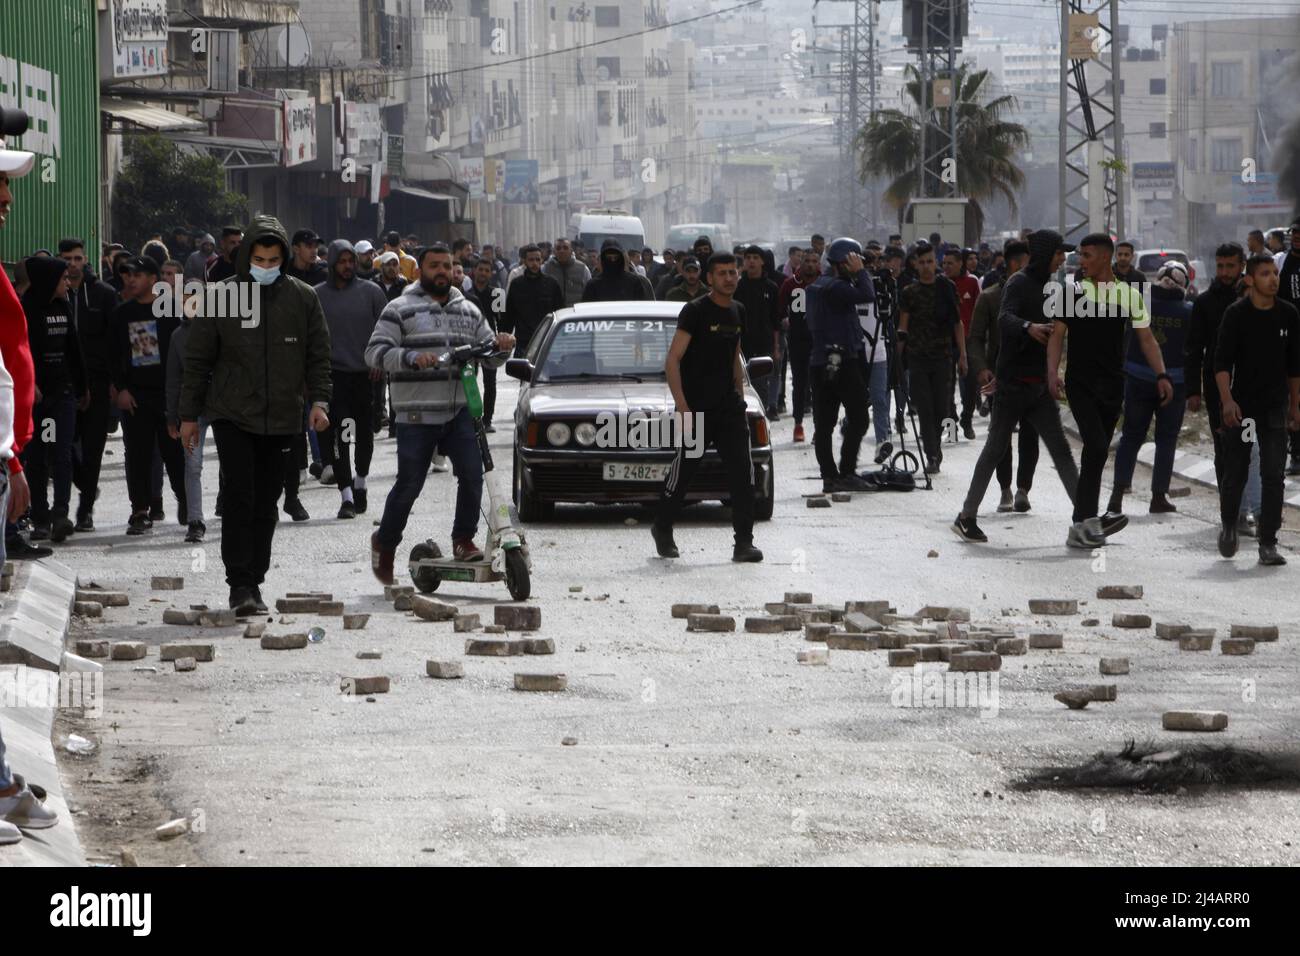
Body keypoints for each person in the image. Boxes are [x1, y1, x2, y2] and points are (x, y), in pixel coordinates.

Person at [182, 216, 331, 613]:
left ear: (284, 259)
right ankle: (240, 582)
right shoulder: (222, 297)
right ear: (246, 256)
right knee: (239, 495)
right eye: (258, 259)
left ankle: (256, 578)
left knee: (268, 499)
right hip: (233, 414)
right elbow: (196, 360)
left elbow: (318, 356)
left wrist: (320, 402)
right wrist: (188, 416)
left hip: (283, 416)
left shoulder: (303, 298)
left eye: (273, 260)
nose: (265, 267)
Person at [366, 245, 515, 583]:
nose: (442, 271)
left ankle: (463, 539)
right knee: (410, 484)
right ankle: (385, 542)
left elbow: (488, 355)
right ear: (420, 270)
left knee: (473, 475)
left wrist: (504, 347)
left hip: (461, 410)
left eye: (447, 266)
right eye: (434, 266)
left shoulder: (469, 310)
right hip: (417, 415)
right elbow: (374, 352)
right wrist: (408, 358)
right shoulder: (399, 308)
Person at [951, 230, 1088, 546]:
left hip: (1039, 387)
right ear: (1043, 253)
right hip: (1011, 386)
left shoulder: (1053, 288)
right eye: (1058, 253)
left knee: (1061, 451)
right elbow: (1004, 318)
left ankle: (1083, 519)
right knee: (995, 449)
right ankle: (966, 517)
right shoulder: (1018, 283)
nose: (1062, 258)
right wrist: (1030, 327)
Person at [1049, 233, 1170, 543]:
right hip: (1080, 384)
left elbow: (1146, 338)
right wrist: (1052, 372)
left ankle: (1081, 524)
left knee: (1096, 453)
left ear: (1105, 257)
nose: (1081, 261)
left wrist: (1162, 375)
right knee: (1097, 446)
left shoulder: (1130, 295)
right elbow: (1057, 336)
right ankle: (1088, 520)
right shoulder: (1071, 293)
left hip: (1113, 385)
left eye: (1087, 255)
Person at [652, 253, 763, 564]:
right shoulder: (695, 311)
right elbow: (673, 360)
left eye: (733, 272)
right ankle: (662, 526)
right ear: (710, 279)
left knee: (743, 475)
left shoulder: (738, 311)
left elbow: (734, 359)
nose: (729, 278)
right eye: (722, 273)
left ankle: (744, 542)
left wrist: (740, 400)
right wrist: (682, 406)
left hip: (729, 409)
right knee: (683, 472)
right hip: (697, 408)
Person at [1214, 253, 1300, 565]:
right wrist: (1227, 401)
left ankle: (1268, 541)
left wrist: (1295, 406)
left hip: (1275, 409)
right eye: (1265, 273)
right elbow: (1221, 363)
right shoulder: (1236, 314)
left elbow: (1294, 366)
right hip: (1244, 411)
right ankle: (1228, 526)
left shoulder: (1288, 314)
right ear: (1250, 279)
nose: (1273, 278)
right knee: (1236, 470)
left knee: (1274, 473)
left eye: (1275, 273)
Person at [109, 256, 187, 534]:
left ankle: (186, 501)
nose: (130, 279)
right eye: (127, 274)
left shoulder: (171, 312)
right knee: (138, 456)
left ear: (153, 279)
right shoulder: (122, 314)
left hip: (168, 395)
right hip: (136, 396)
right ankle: (140, 511)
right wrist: (121, 389)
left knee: (175, 453)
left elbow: (184, 355)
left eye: (137, 274)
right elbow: (115, 355)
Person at [1186, 242, 1259, 536]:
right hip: (1218, 389)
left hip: (1252, 387)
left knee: (1250, 447)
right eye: (1220, 266)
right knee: (1225, 448)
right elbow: (1193, 349)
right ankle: (1230, 509)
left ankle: (1247, 509)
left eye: (1231, 266)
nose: (1225, 272)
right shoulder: (1205, 303)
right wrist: (1192, 390)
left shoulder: (1256, 298)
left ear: (1242, 265)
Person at [1108, 260, 1192, 515]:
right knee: (1166, 440)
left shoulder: (1140, 305)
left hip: (1137, 379)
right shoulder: (1189, 311)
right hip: (1175, 384)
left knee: (1131, 436)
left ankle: (1117, 495)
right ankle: (1158, 496)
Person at [315, 240, 388, 518]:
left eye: (350, 261)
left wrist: (380, 361)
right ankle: (346, 494)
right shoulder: (317, 295)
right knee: (340, 436)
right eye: (342, 261)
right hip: (336, 379)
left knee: (365, 436)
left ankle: (361, 481)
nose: (347, 266)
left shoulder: (371, 292)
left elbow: (386, 330)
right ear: (332, 263)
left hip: (366, 376)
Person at [967, 240, 1038, 512]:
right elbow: (975, 338)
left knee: (1030, 435)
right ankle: (1005, 489)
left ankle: (1023, 489)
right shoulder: (989, 297)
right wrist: (981, 368)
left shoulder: (1042, 295)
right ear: (1014, 263)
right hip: (1002, 377)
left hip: (1034, 376)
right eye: (1027, 262)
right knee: (1002, 437)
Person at [20, 255, 86, 543]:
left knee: (62, 454)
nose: (68, 283)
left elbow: (73, 348)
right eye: (63, 279)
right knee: (38, 457)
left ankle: (61, 514)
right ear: (50, 281)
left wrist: (83, 387)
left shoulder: (63, 305)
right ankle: (41, 517)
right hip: (40, 399)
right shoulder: (28, 309)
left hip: (63, 395)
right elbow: (23, 352)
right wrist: (30, 384)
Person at [805, 238, 875, 492]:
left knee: (824, 424)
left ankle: (829, 477)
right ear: (844, 262)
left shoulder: (818, 286)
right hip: (842, 361)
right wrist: (861, 273)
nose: (857, 265)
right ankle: (845, 473)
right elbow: (868, 295)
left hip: (820, 361)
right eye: (854, 261)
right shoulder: (837, 287)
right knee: (858, 417)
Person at [60, 237, 118, 531]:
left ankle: (85, 509)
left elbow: (116, 341)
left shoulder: (103, 295)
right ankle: (85, 485)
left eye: (77, 258)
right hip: (64, 383)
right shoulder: (54, 294)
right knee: (63, 445)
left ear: (85, 260)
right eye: (67, 258)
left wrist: (115, 382)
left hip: (97, 382)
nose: (72, 264)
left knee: (94, 447)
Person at [898, 243, 964, 474]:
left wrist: (963, 357)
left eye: (930, 261)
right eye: (922, 262)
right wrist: (897, 359)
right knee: (924, 408)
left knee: (941, 408)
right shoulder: (909, 293)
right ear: (915, 264)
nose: (926, 267)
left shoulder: (946, 288)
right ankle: (932, 454)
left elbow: (957, 324)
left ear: (935, 263)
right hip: (918, 358)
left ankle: (935, 447)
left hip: (943, 358)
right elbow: (903, 328)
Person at [165, 288, 212, 542]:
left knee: (233, 463)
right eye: (185, 299)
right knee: (193, 465)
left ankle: (238, 514)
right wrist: (172, 416)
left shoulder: (221, 330)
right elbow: (173, 380)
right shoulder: (178, 336)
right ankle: (196, 520)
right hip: (192, 411)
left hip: (224, 408)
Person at [778, 248, 822, 443]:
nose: (811, 265)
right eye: (807, 261)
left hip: (820, 340)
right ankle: (798, 424)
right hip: (798, 341)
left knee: (820, 385)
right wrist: (784, 319)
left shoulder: (826, 283)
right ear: (801, 263)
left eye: (814, 261)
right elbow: (778, 309)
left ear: (819, 263)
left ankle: (819, 427)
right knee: (800, 383)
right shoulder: (790, 284)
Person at [734, 245, 780, 417]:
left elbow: (775, 320)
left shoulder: (771, 287)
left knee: (761, 385)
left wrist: (776, 347)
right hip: (742, 345)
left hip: (764, 344)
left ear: (762, 261)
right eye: (748, 258)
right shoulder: (737, 287)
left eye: (755, 257)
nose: (751, 261)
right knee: (741, 384)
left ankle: (760, 418)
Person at [942, 247, 981, 439]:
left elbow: (980, 309)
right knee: (946, 387)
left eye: (950, 263)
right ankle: (952, 425)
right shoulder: (940, 284)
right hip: (946, 342)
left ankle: (967, 419)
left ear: (960, 263)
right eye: (944, 263)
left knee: (971, 384)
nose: (946, 267)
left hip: (969, 341)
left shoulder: (972, 282)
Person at [502, 244, 565, 357]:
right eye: (531, 260)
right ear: (524, 261)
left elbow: (560, 312)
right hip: (523, 341)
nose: (534, 263)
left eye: (537, 259)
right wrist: (504, 337)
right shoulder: (516, 285)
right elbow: (509, 315)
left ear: (542, 261)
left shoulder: (552, 284)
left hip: (547, 340)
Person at [1272, 220, 1300, 475]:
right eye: (1296, 234)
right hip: (1288, 338)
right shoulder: (1280, 263)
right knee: (1292, 396)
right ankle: (1295, 453)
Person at [582, 240, 649, 301]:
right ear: (603, 259)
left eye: (616, 258)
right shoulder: (593, 285)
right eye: (609, 258)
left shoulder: (635, 282)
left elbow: (641, 308)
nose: (612, 261)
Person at [542, 237, 592, 307]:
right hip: (554, 313)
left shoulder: (582, 269)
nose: (562, 251)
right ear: (554, 251)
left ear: (571, 251)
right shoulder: (546, 268)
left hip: (575, 313)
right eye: (558, 248)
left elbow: (589, 292)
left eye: (565, 248)